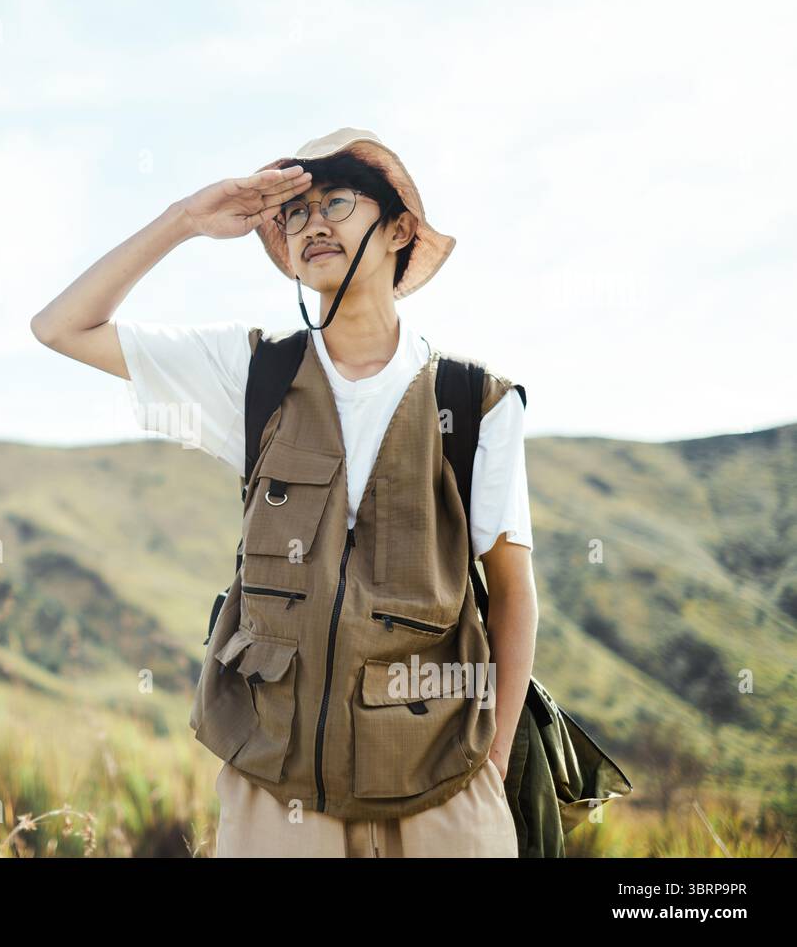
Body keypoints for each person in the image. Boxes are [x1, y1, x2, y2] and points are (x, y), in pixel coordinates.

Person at [31, 128, 538, 857]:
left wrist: (490, 764)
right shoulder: (253, 374)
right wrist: (184, 221)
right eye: (294, 214)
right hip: (276, 796)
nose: (313, 224)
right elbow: (61, 327)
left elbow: (514, 592)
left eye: (337, 201)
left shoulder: (476, 400)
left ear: (399, 229)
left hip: (442, 791)